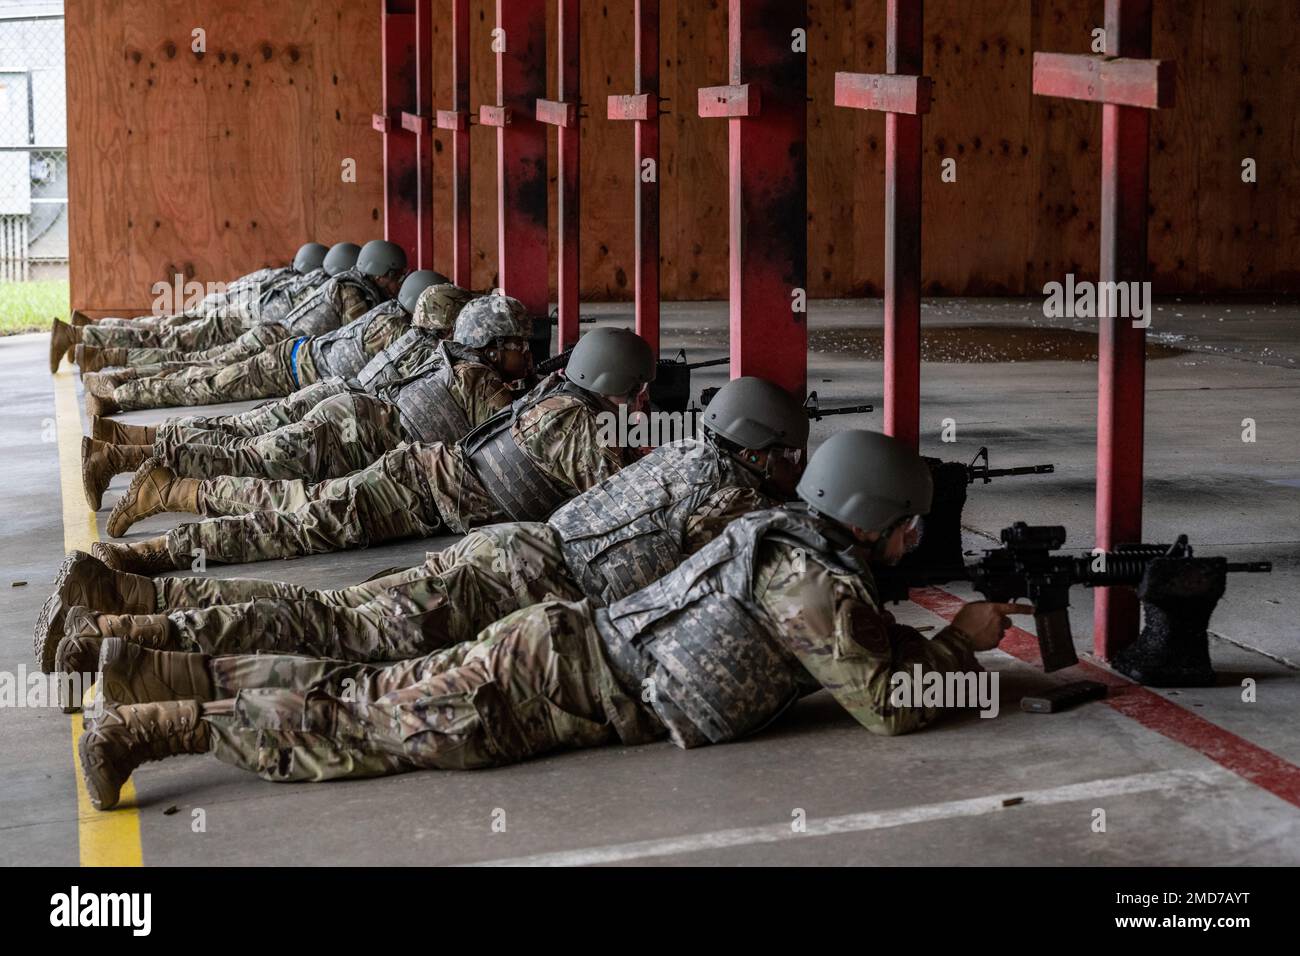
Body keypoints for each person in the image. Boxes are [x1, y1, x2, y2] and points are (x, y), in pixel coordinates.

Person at [74, 429, 1033, 810]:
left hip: (556, 645)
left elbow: (861, 644)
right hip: (556, 682)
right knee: (353, 721)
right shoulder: (810, 584)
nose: (915, 542)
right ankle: (153, 722)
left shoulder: (783, 537)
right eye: (908, 527)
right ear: (876, 525)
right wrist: (967, 643)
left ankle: (148, 665)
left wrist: (937, 641)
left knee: (353, 676)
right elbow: (890, 703)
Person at [47, 376, 809, 669]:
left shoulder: (658, 452)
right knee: (326, 623)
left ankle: (135, 598)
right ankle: (130, 626)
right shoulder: (727, 497)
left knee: (322, 596)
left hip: (495, 544)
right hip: (509, 569)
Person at [89, 327, 656, 574]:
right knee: (297, 522)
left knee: (293, 500)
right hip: (420, 491)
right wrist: (652, 441)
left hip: (415, 472)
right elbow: (618, 501)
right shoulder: (576, 426)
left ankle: (168, 491)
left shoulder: (557, 400)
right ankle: (156, 549)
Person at [98, 292, 533, 533]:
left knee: (237, 439)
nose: (528, 355)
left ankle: (126, 454)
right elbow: (515, 430)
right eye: (520, 347)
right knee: (249, 458)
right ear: (492, 346)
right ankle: (131, 463)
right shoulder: (480, 380)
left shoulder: (443, 354)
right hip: (351, 431)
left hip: (344, 410)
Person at [82, 240, 412, 417]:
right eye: (395, 276)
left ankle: (115, 373)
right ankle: (117, 389)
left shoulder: (340, 282)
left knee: (196, 364)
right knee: (202, 378)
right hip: (276, 346)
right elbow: (358, 337)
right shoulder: (353, 293)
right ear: (381, 271)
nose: (396, 284)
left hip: (272, 339)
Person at [48, 242, 337, 374]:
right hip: (231, 320)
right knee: (166, 340)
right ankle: (85, 338)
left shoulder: (281, 275)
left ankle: (88, 330)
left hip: (221, 308)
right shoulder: (312, 289)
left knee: (160, 328)